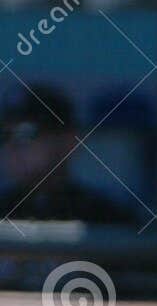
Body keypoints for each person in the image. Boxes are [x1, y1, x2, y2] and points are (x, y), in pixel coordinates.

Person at [0, 85, 142, 228]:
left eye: (25, 134)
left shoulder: (107, 218)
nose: (12, 147)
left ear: (69, 141)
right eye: (4, 136)